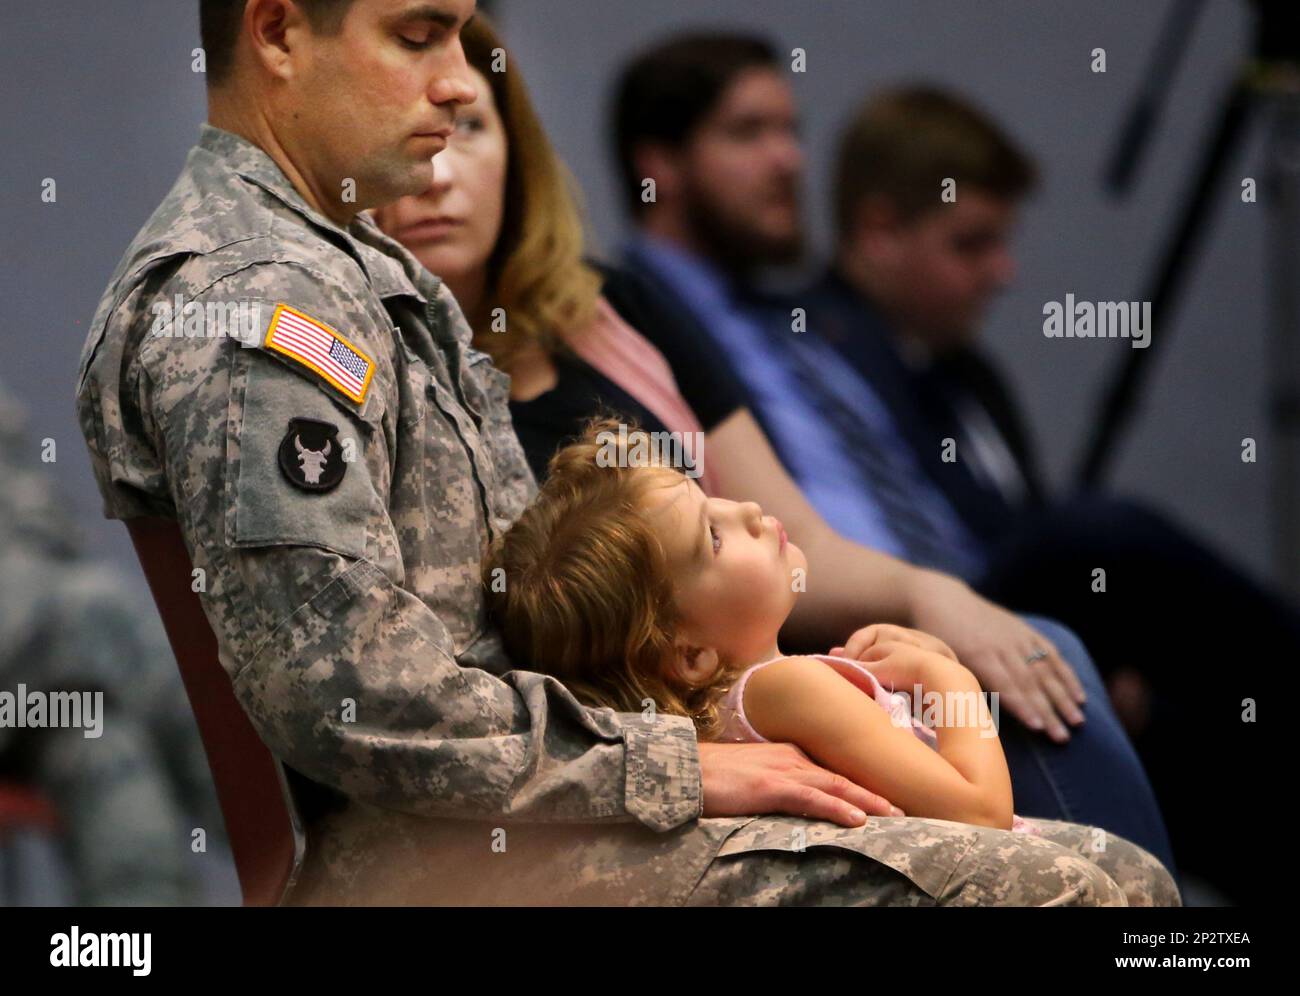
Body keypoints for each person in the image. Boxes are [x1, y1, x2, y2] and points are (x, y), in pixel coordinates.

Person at [77, 0, 1143, 907]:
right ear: (275, 32)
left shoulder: (345, 265)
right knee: (1066, 892)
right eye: (420, 35)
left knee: (1115, 875)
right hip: (440, 856)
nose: (459, 82)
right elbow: (349, 698)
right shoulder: (252, 302)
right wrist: (670, 764)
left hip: (532, 809)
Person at [371, 14, 1177, 874]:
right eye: (408, 142)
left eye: (472, 130)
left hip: (764, 660)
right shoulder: (390, 380)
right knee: (1096, 559)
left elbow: (799, 534)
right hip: (651, 736)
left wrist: (930, 596)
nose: (439, 177)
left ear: (519, 151)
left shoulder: (614, 307)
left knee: (1044, 647)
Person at [482, 419, 1180, 904]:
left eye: (715, 501)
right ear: (690, 655)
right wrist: (950, 679)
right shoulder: (786, 689)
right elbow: (981, 813)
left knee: (1140, 876)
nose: (751, 511)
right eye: (714, 539)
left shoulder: (777, 686)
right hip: (990, 867)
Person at [1, 379, 227, 905]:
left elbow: (37, 520)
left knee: (106, 753)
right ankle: (275, 826)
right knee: (98, 609)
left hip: (43, 701)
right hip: (43, 650)